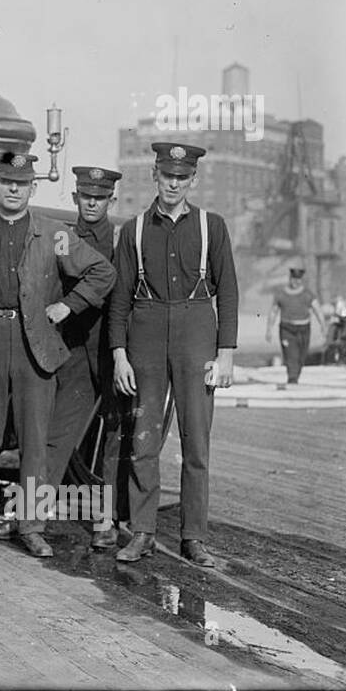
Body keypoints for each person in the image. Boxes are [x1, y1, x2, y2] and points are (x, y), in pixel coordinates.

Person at [0, 152, 116, 558]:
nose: (13, 190)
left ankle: (32, 526)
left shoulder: (54, 234)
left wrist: (68, 306)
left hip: (36, 343)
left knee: (35, 441)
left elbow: (102, 272)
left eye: (21, 184)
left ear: (32, 190)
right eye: (6, 182)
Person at [109, 142, 239, 568]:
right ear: (155, 176)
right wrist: (119, 354)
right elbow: (120, 301)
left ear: (192, 180)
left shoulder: (211, 226)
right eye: (168, 176)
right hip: (145, 333)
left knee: (196, 441)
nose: (174, 184)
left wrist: (226, 355)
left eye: (182, 178)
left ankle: (193, 538)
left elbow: (231, 294)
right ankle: (143, 532)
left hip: (197, 331)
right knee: (143, 439)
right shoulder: (133, 230)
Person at [43, 166, 128, 550]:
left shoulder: (124, 240)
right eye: (86, 196)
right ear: (75, 198)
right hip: (75, 351)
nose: (92, 202)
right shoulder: (63, 238)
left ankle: (106, 521)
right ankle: (31, 514)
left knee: (114, 436)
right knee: (54, 436)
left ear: (111, 200)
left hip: (114, 352)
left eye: (100, 197)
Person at [266, 264, 325, 384]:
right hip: (287, 329)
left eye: (298, 280)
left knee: (301, 356)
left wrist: (323, 325)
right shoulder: (281, 294)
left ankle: (295, 375)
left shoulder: (308, 294)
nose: (295, 282)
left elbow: (317, 309)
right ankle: (292, 377)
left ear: (301, 280)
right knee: (291, 354)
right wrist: (269, 329)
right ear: (290, 279)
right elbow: (273, 312)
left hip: (304, 329)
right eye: (293, 279)